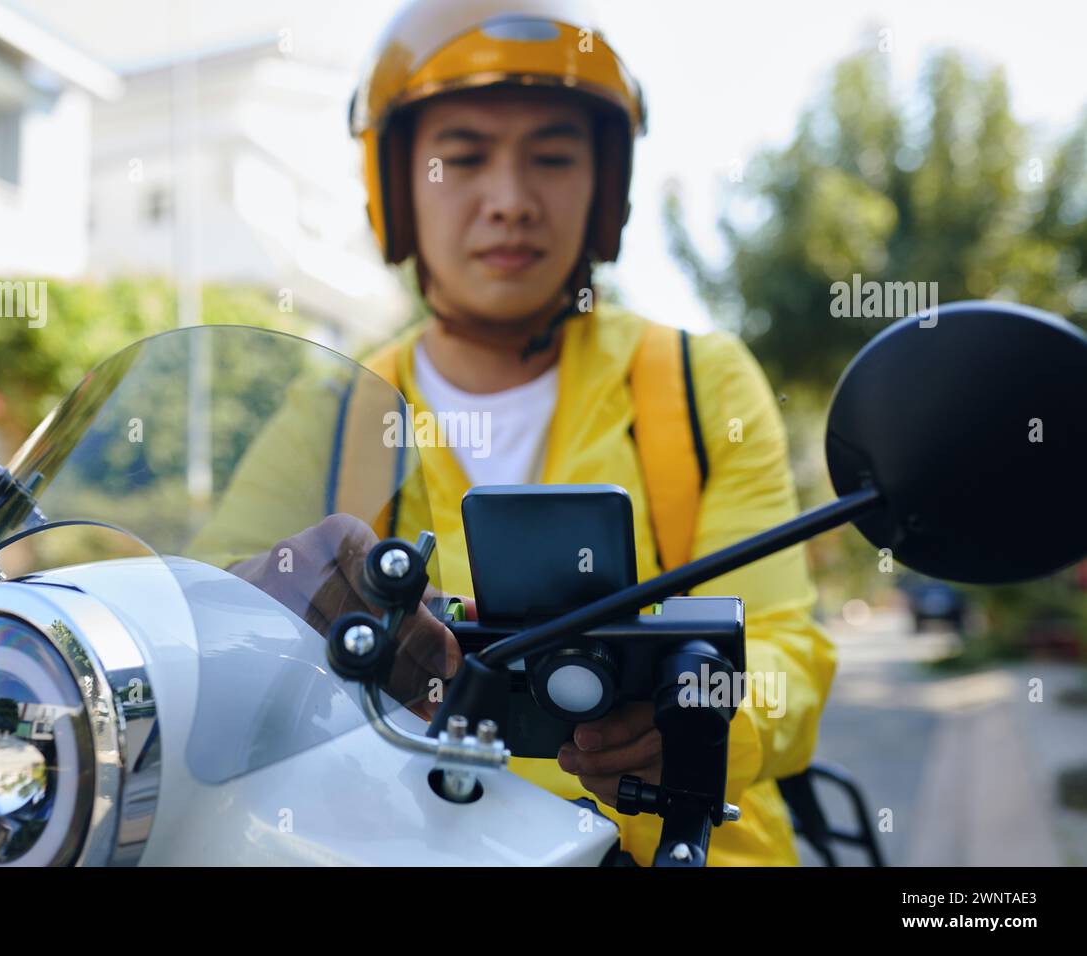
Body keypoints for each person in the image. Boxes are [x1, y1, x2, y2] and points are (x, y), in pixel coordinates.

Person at [340, 0, 837, 866]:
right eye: (463, 157)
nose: (510, 202)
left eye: (554, 157)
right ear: (395, 185)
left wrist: (703, 718)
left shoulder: (699, 381)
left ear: (604, 189)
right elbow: (213, 616)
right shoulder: (337, 408)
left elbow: (783, 653)